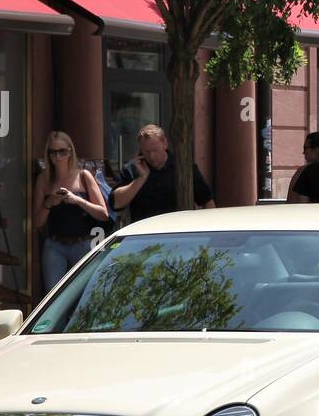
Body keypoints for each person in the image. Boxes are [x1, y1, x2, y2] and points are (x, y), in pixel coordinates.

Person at [34, 131, 109, 292]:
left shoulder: (83, 176)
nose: (58, 157)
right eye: (53, 152)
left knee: (83, 294)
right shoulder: (43, 179)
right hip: (55, 246)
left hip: (83, 243)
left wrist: (77, 200)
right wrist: (49, 203)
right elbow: (37, 223)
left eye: (62, 151)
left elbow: (103, 214)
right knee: (53, 296)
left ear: (70, 152)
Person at [112, 124, 215, 222]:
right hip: (143, 234)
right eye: (146, 152)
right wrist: (141, 178)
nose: (151, 156)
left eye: (155, 150)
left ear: (165, 144)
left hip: (178, 233)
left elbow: (207, 201)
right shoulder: (132, 169)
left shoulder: (184, 169)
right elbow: (116, 203)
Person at [287, 131, 319, 201]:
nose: (303, 152)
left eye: (305, 148)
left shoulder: (303, 171)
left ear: (317, 149)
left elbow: (292, 201)